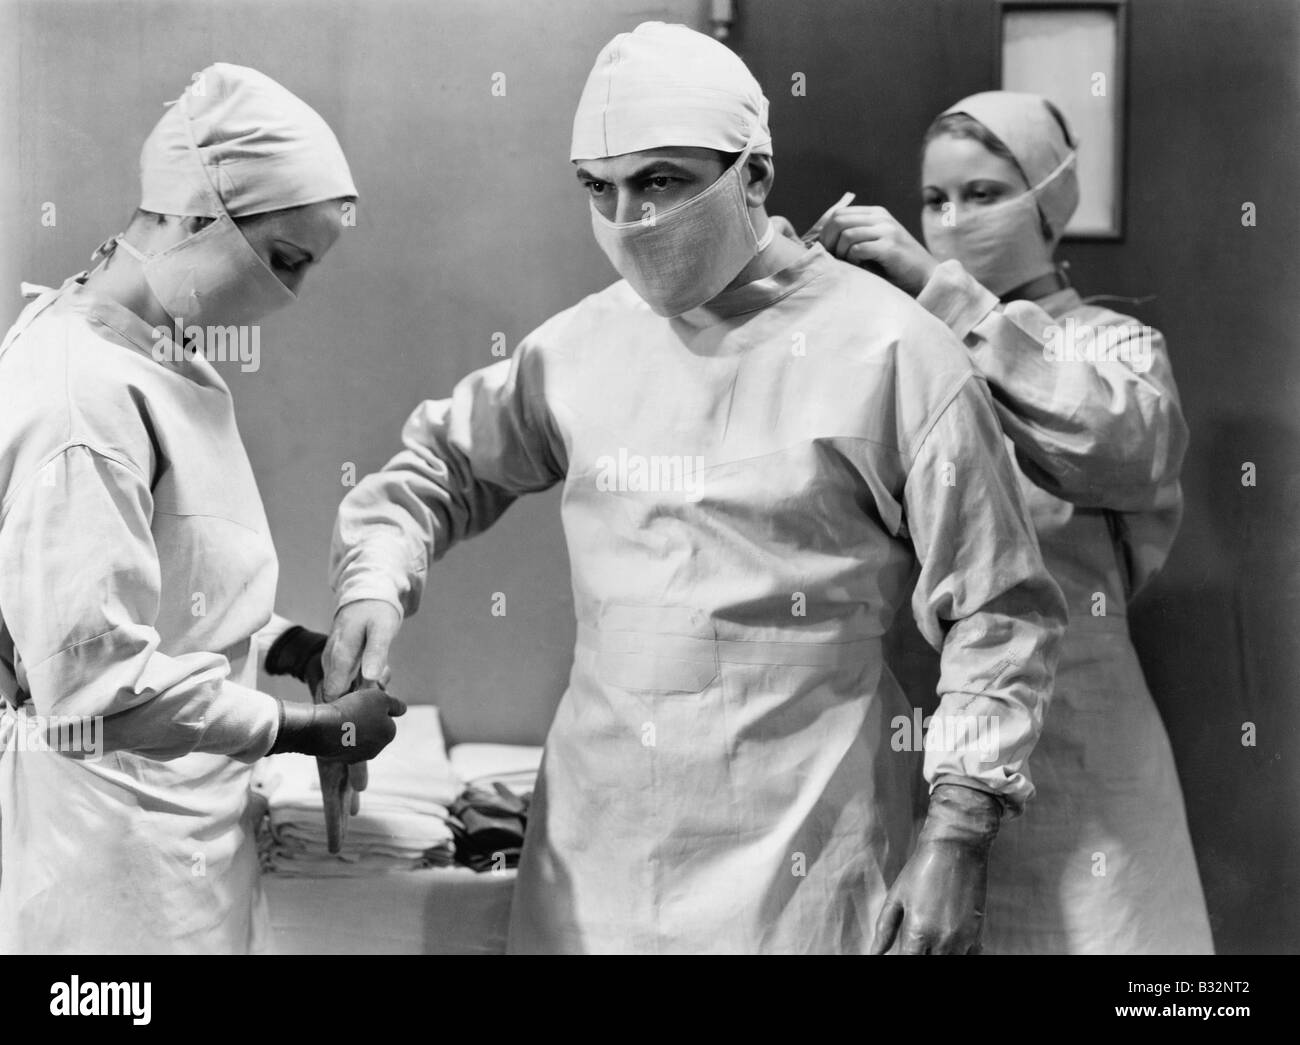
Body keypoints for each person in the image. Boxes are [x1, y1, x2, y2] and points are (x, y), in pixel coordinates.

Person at [324, 24, 1066, 954]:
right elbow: (439, 468)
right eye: (600, 188)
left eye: (662, 181)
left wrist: (958, 833)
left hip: (807, 861)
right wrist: (374, 580)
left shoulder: (892, 351)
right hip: (598, 861)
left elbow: (1000, 609)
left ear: (753, 175)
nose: (630, 218)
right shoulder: (582, 349)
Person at [0, 63, 405, 954]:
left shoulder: (168, 364)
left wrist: (288, 645)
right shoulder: (81, 397)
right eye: (285, 259)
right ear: (193, 215)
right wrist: (308, 728)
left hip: (187, 832)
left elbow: (179, 600)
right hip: (111, 864)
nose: (290, 292)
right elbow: (92, 687)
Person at [815, 90, 1213, 953]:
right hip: (932, 749)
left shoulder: (1114, 348)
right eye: (935, 199)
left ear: (1048, 200)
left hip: (1082, 749)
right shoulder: (900, 353)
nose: (952, 220)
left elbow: (1120, 445)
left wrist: (941, 293)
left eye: (985, 192)